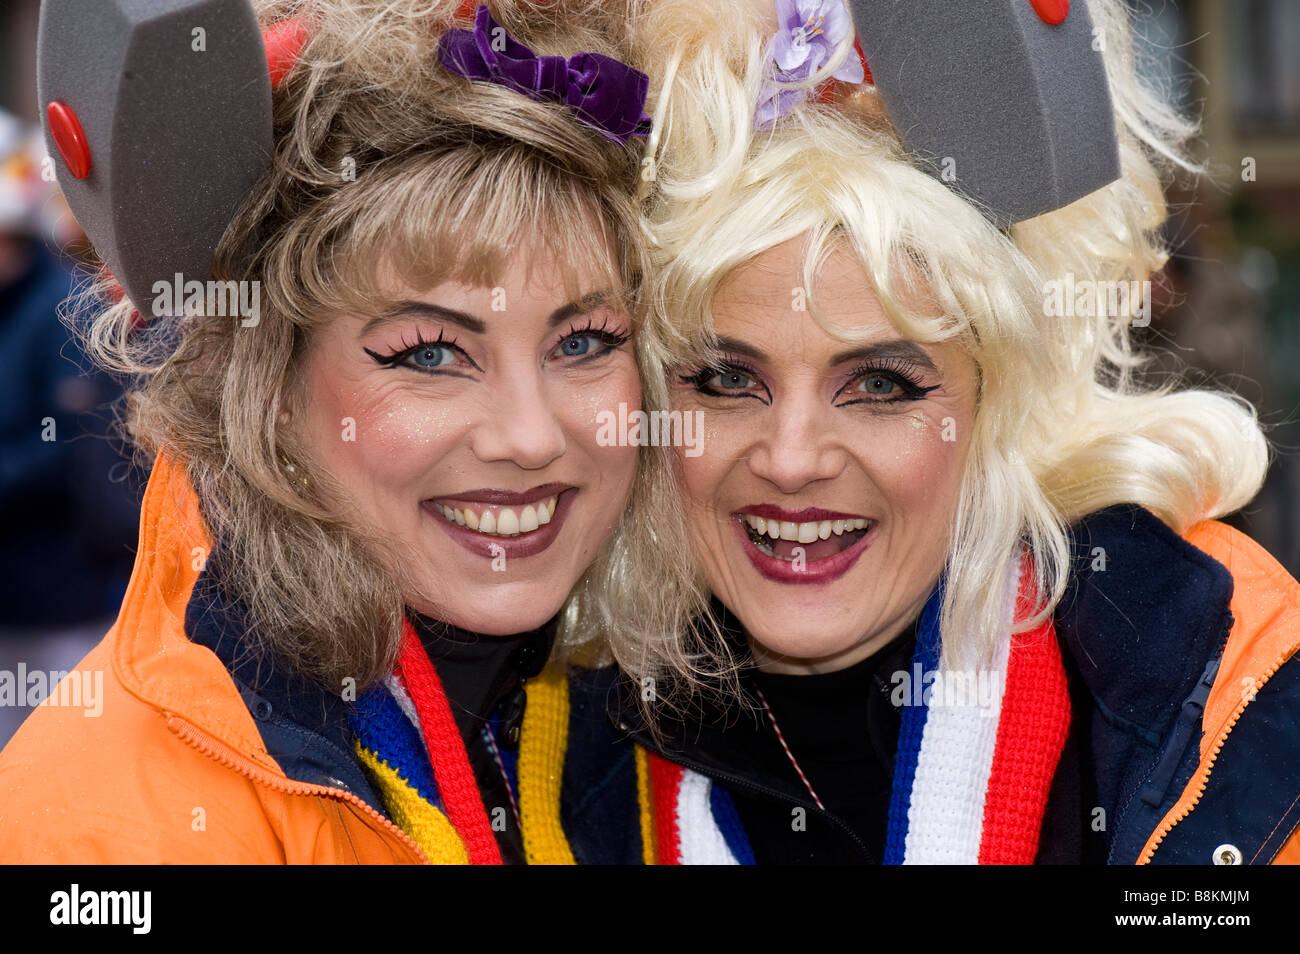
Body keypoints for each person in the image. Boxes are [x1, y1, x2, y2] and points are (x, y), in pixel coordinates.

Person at [564, 0, 1300, 864]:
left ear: (995, 404)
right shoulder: (553, 741)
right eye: (729, 380)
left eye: (878, 385)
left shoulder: (1214, 685)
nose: (792, 460)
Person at [0, 0, 669, 864]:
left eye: (583, 343)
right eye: (430, 353)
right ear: (269, 385)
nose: (531, 437)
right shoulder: (98, 835)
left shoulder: (664, 737)